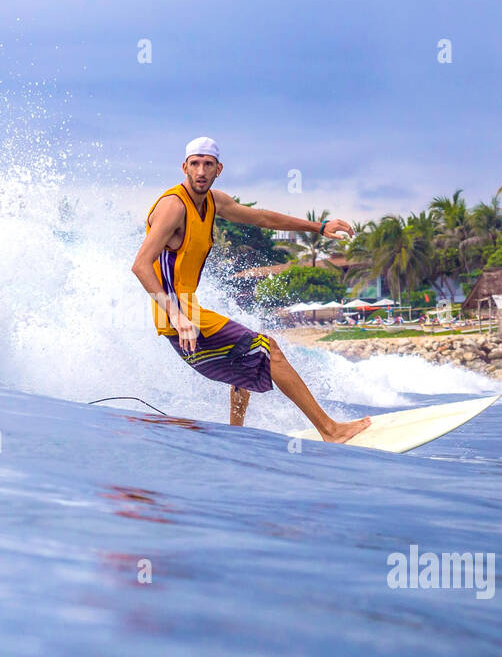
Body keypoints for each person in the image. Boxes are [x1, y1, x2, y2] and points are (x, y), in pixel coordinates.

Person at [130, 137, 371, 443]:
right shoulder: (173, 207)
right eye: (194, 164)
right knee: (268, 349)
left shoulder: (214, 202)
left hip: (188, 310)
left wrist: (319, 227)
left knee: (245, 354)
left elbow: (261, 218)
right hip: (177, 317)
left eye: (207, 164)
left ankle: (235, 435)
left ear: (219, 169)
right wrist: (176, 316)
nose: (201, 171)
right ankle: (331, 430)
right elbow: (140, 265)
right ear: (184, 167)